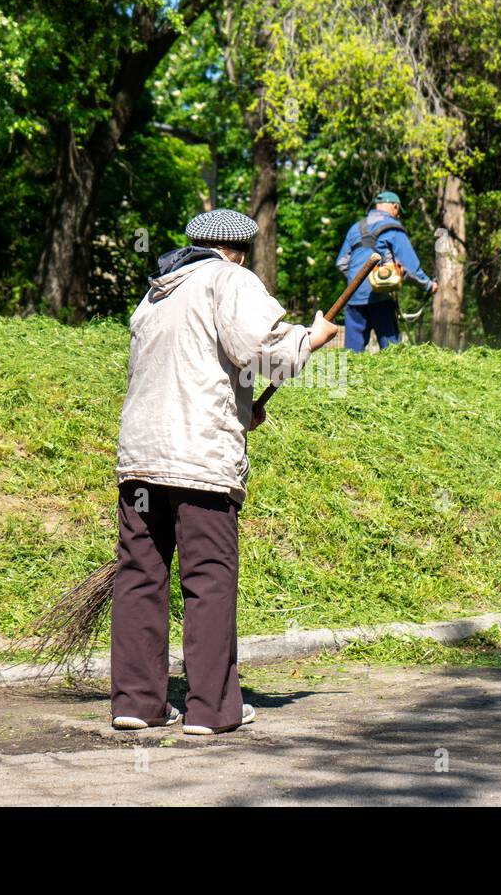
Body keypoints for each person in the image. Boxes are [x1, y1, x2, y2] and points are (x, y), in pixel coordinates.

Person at [112, 208, 338, 735]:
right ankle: (212, 710)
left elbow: (187, 367)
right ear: (237, 250)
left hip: (142, 458)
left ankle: (136, 703)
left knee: (141, 577)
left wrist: (243, 407)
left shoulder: (158, 291)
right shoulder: (228, 279)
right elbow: (263, 352)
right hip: (199, 461)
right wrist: (312, 338)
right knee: (208, 578)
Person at [335, 191, 438, 352]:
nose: (397, 215)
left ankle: (350, 377)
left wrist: (357, 281)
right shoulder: (393, 228)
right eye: (398, 211)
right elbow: (410, 266)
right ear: (395, 207)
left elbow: (341, 263)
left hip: (353, 297)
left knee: (351, 355)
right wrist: (429, 285)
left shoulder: (355, 228)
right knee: (392, 353)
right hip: (380, 296)